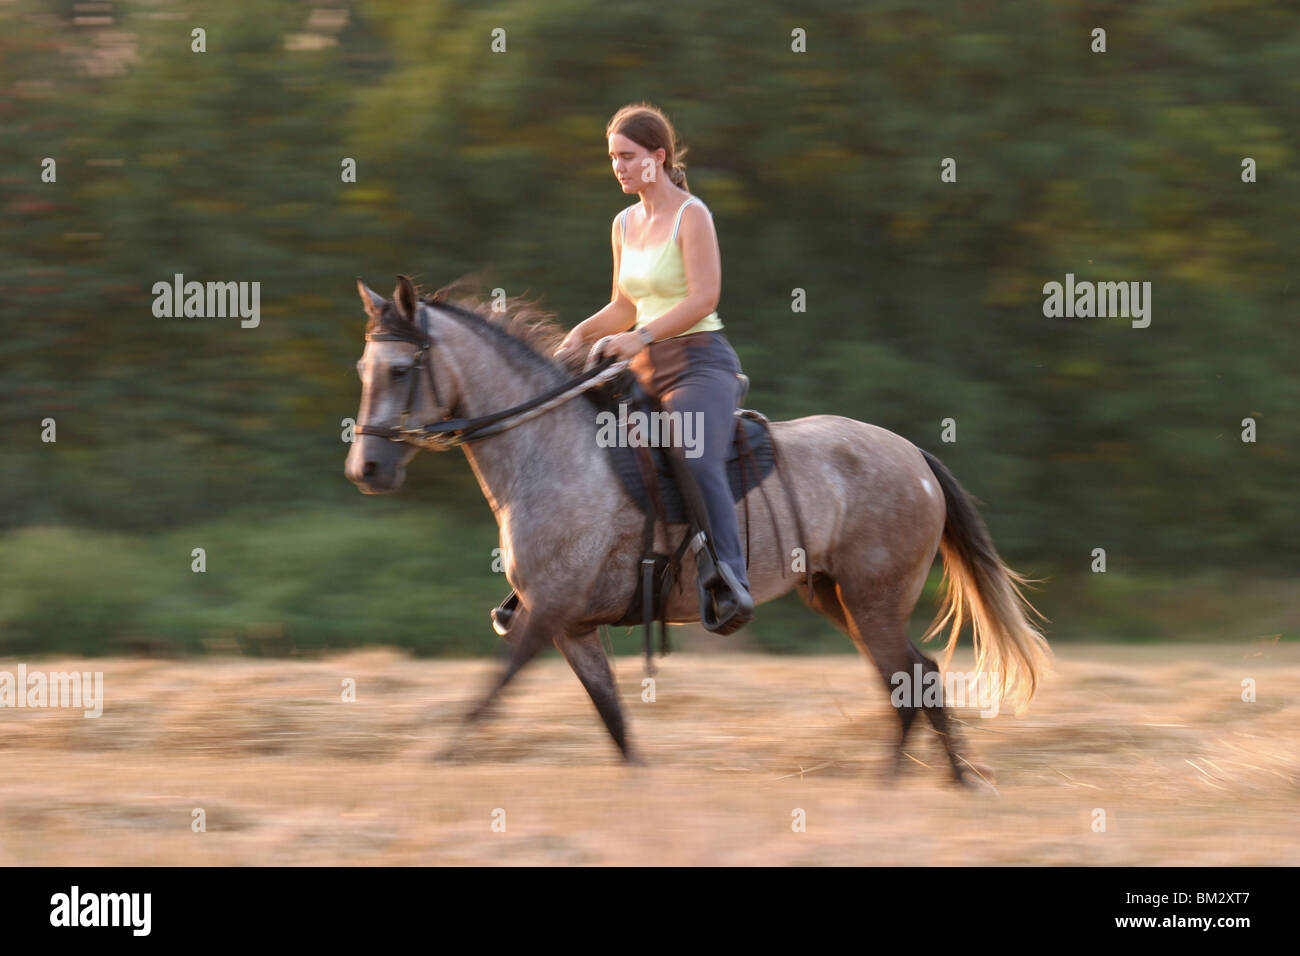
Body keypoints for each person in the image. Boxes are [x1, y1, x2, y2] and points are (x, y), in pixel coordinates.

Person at [553, 102, 754, 633]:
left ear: (657, 158)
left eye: (628, 156)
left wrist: (638, 336)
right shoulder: (622, 223)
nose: (617, 166)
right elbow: (622, 303)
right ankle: (546, 577)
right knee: (578, 445)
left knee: (693, 452)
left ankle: (730, 579)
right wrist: (579, 335)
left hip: (698, 363)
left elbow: (704, 297)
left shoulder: (693, 215)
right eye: (612, 157)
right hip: (641, 366)